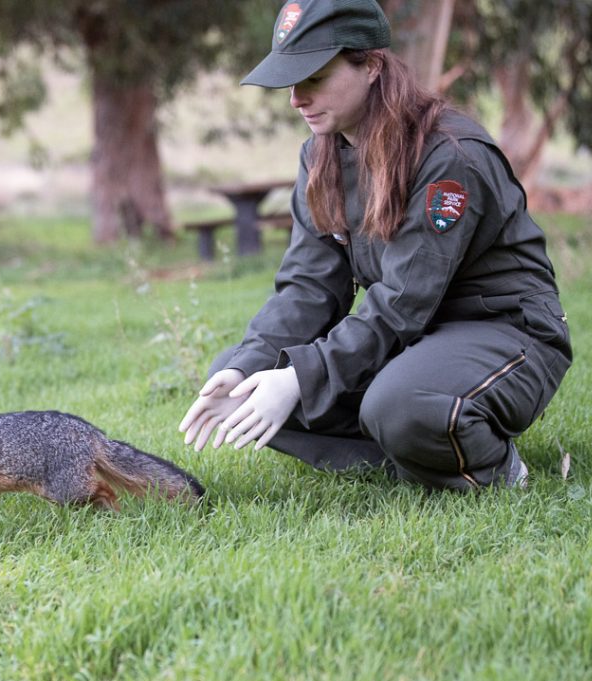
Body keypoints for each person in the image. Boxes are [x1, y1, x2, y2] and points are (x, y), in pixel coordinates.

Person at [178, 0, 572, 490]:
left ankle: (491, 465)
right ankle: (416, 454)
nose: (297, 98)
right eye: (290, 81)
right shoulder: (320, 154)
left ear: (371, 65)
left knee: (397, 402)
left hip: (504, 332)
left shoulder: (450, 156)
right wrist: (249, 364)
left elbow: (403, 302)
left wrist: (301, 378)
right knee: (249, 378)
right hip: (416, 340)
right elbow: (308, 287)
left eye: (314, 77)